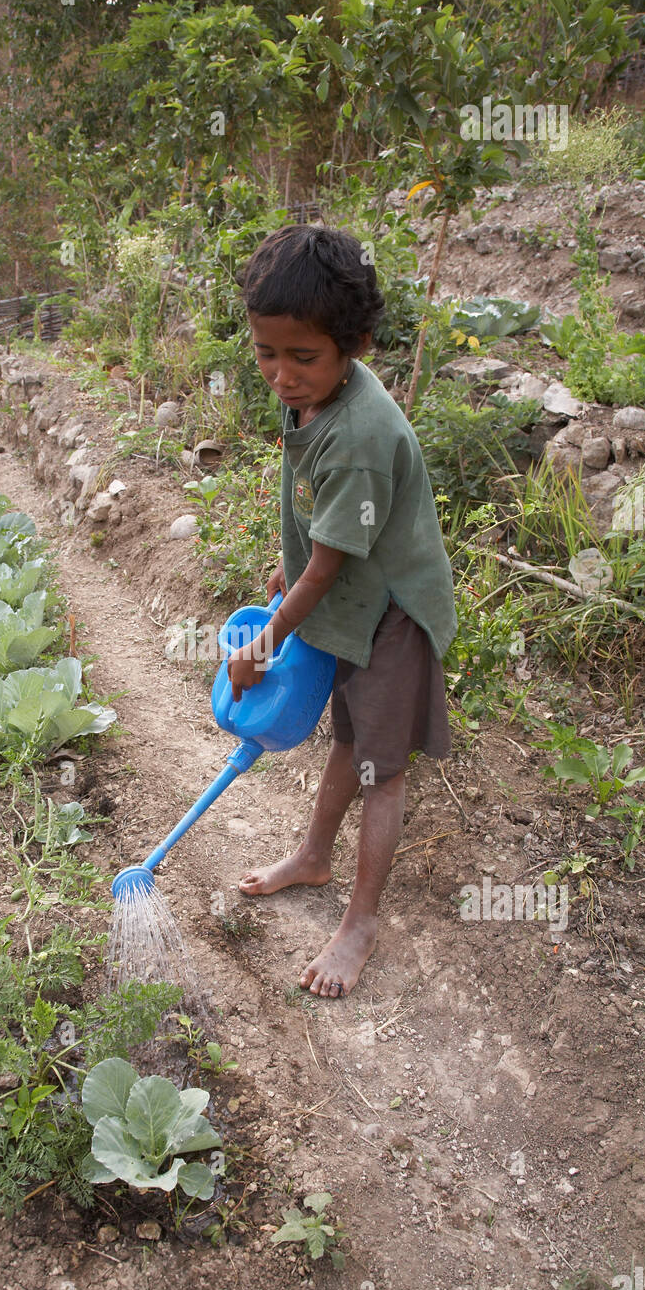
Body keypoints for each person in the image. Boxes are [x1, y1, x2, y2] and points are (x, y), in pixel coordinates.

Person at [225, 224, 457, 999]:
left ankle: (360, 922)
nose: (282, 376)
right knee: (347, 741)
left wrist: (267, 638)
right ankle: (314, 856)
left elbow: (327, 567)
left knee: (381, 772)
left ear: (352, 343)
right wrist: (282, 575)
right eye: (267, 354)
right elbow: (312, 529)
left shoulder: (359, 435)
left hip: (392, 613)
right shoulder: (316, 399)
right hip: (355, 601)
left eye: (302, 357)